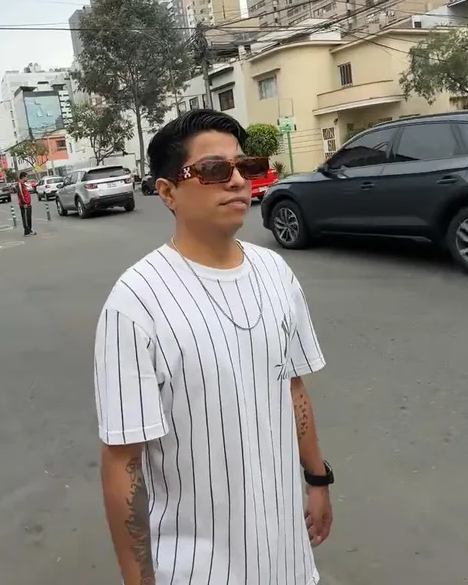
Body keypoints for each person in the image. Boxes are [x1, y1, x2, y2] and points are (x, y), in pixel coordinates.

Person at [93, 110, 333, 585]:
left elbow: (292, 388)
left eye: (245, 166)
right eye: (214, 170)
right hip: (195, 567)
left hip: (288, 556)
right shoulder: (135, 302)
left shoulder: (276, 273)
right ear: (168, 192)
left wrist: (318, 478)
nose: (238, 180)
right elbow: (123, 461)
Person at [16, 171, 36, 237]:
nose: (27, 178)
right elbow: (20, 194)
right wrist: (24, 203)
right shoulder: (19, 184)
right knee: (25, 218)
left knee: (28, 217)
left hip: (28, 204)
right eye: (26, 177)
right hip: (24, 204)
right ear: (23, 177)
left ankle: (29, 230)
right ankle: (27, 231)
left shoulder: (23, 184)